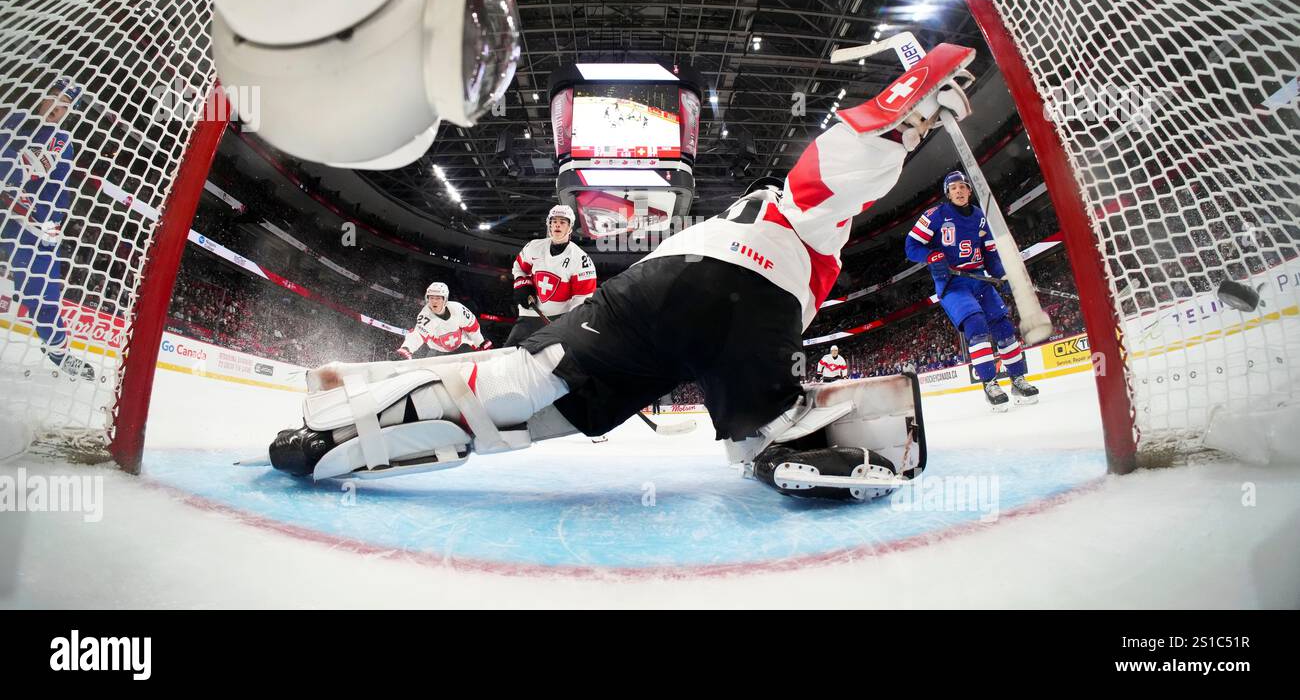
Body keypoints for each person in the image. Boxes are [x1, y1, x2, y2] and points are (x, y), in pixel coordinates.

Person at [267, 44, 979, 501]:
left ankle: (341, 438)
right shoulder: (802, 229)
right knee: (746, 434)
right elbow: (826, 178)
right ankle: (785, 444)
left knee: (533, 389)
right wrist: (906, 110)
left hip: (661, 292)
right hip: (756, 312)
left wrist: (903, 119)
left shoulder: (729, 220)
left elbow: (825, 174)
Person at [904, 170, 1040, 410]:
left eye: (962, 186)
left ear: (969, 190)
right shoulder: (935, 215)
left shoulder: (979, 217)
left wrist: (1002, 276)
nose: (958, 190)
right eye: (953, 187)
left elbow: (990, 255)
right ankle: (989, 384)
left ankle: (1017, 380)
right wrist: (930, 255)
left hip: (979, 279)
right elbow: (911, 245)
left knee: (1004, 326)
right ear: (948, 192)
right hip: (951, 284)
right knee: (976, 325)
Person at [0, 79, 94, 381]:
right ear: (43, 98)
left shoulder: (61, 140)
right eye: (55, 98)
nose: (58, 107)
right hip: (9, 208)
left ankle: (57, 350)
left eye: (66, 104)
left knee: (41, 293)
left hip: (37, 224)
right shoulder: (14, 118)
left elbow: (27, 172)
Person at [505, 205, 596, 346]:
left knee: (553, 363)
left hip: (558, 319)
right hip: (529, 314)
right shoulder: (534, 247)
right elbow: (519, 268)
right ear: (549, 224)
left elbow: (582, 298)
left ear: (570, 226)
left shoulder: (581, 259)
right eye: (554, 221)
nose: (557, 224)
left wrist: (569, 324)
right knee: (510, 354)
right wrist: (522, 284)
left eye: (562, 222)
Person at [391, 282, 490, 359]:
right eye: (431, 298)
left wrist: (480, 343)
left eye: (438, 298)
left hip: (461, 344)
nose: (434, 301)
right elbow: (418, 335)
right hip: (436, 350)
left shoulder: (458, 309)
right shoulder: (425, 315)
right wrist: (407, 348)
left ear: (445, 300)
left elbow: (472, 328)